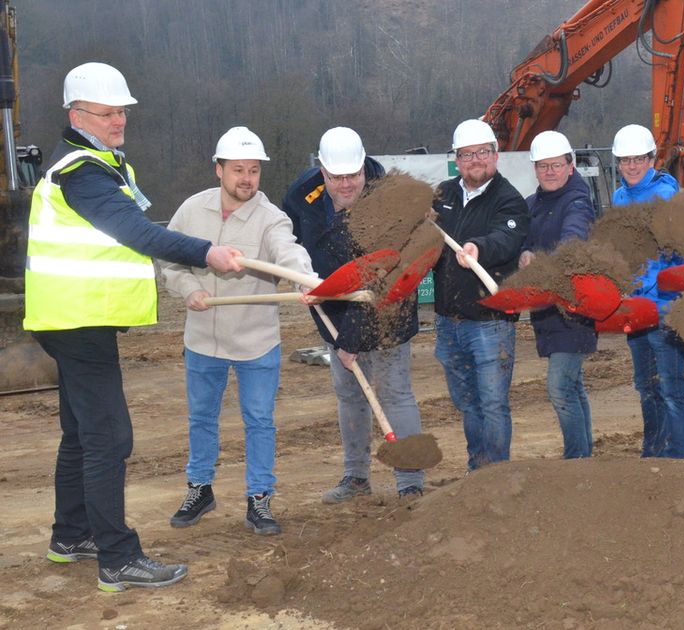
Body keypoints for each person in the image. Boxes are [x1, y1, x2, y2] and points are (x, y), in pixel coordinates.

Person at [25, 62, 243, 592]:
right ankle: (118, 559)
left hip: (72, 317)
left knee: (81, 432)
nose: (119, 120)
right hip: (78, 318)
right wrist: (207, 252)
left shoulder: (98, 162)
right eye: (107, 112)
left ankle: (72, 535)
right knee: (109, 437)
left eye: (122, 110)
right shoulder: (83, 171)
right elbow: (137, 233)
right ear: (78, 115)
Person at [161, 126, 313, 536]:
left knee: (260, 421)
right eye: (238, 170)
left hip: (256, 342)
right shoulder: (192, 211)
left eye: (254, 171)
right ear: (219, 170)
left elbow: (288, 252)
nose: (247, 179)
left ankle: (259, 499)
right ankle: (199, 489)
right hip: (203, 341)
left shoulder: (271, 218)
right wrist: (189, 289)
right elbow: (169, 261)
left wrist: (306, 280)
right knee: (202, 418)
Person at [282, 127, 425, 501]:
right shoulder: (301, 196)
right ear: (323, 171)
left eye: (353, 176)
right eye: (336, 177)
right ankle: (356, 478)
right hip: (332, 307)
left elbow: (382, 280)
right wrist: (298, 276)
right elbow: (286, 243)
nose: (346, 185)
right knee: (349, 394)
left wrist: (350, 342)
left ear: (364, 166)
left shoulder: (392, 198)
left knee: (394, 393)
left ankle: (410, 484)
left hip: (387, 304)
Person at [432, 119, 530, 470]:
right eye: (467, 154)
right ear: (456, 160)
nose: (476, 160)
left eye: (483, 152)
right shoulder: (442, 195)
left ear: (495, 155)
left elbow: (506, 239)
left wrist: (478, 247)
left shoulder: (510, 200)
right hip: (448, 320)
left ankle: (498, 474)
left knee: (492, 403)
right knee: (466, 402)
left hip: (490, 323)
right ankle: (478, 468)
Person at [611, 123, 684, 458]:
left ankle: (676, 459)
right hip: (635, 308)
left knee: (672, 388)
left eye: (638, 159)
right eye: (625, 160)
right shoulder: (618, 197)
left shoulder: (668, 196)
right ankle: (653, 452)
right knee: (647, 386)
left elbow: (682, 252)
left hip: (666, 307)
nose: (631, 166)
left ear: (651, 160)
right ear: (617, 163)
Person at [519, 131, 598, 459]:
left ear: (570, 166)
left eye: (556, 165)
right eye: (543, 166)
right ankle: (584, 456)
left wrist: (545, 261)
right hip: (548, 311)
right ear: (535, 169)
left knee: (559, 388)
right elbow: (521, 240)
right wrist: (523, 253)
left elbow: (573, 239)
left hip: (575, 309)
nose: (549, 171)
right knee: (573, 387)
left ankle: (576, 462)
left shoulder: (578, 201)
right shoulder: (532, 204)